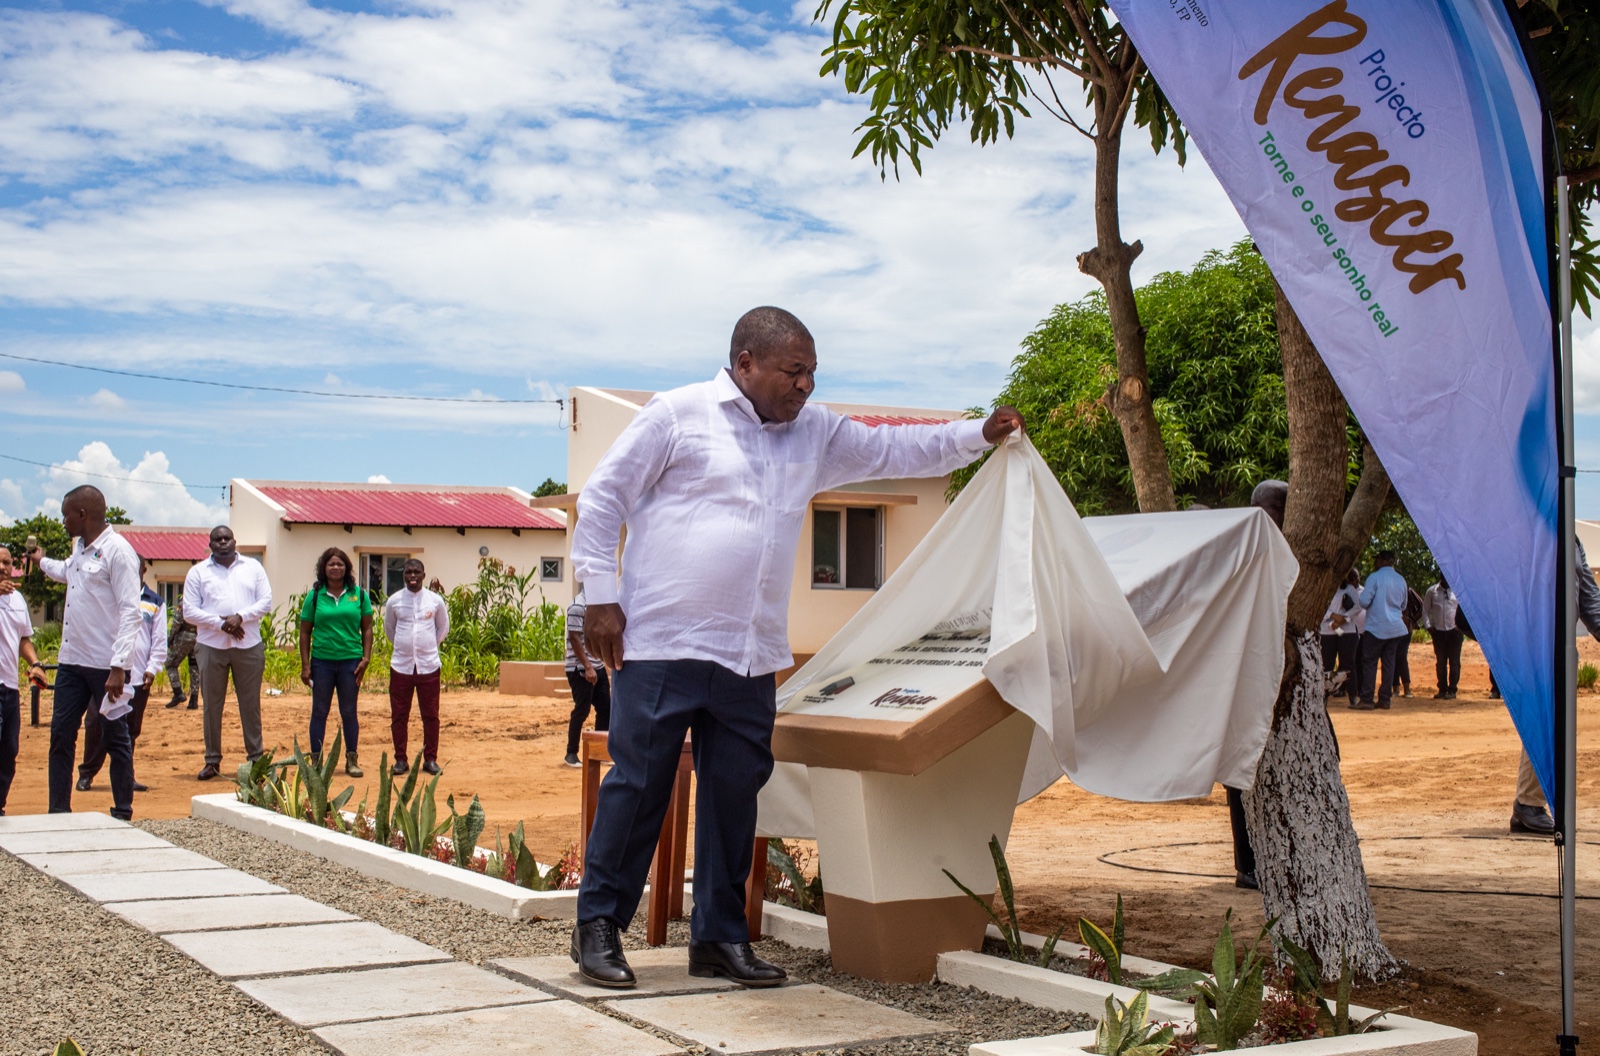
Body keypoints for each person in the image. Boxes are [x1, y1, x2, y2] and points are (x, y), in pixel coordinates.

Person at [569, 306, 1024, 989]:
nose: (806, 386)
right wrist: (599, 595)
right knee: (640, 787)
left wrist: (977, 436)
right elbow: (604, 499)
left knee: (734, 796)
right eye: (794, 370)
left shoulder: (815, 434)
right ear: (746, 363)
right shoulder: (677, 414)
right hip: (663, 644)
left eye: (812, 372)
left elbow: (895, 451)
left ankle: (719, 939)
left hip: (750, 655)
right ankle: (598, 929)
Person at [27, 485, 141, 818]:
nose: (62, 521)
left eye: (65, 515)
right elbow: (65, 571)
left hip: (106, 666)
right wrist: (40, 560)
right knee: (61, 736)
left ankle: (122, 811)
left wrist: (119, 666)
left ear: (82, 515)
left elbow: (131, 610)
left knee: (115, 737)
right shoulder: (79, 549)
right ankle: (58, 811)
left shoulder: (119, 552)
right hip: (71, 664)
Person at [184, 525, 272, 781]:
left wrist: (240, 617)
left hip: (248, 646)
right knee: (212, 706)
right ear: (210, 544)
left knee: (250, 705)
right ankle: (212, 761)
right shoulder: (197, 572)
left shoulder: (253, 568)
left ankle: (256, 760)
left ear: (235, 541)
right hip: (212, 646)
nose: (223, 542)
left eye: (227, 538)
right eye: (217, 539)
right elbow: (189, 611)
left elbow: (265, 601)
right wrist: (221, 623)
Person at [78, 561, 165, 793]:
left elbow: (158, 639)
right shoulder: (108, 596)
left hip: (137, 677)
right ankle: (86, 773)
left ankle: (126, 776)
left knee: (130, 729)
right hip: (104, 675)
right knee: (96, 723)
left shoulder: (155, 601)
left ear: (143, 569)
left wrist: (153, 667)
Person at [299, 547, 372, 777]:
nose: (336, 568)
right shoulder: (315, 595)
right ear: (324, 568)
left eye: (340, 564)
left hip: (351, 662)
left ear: (347, 568)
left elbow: (367, 628)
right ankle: (316, 762)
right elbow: (304, 632)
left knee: (349, 712)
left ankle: (351, 760)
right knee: (319, 711)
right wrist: (305, 665)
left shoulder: (358, 594)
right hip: (322, 663)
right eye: (331, 564)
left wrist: (366, 658)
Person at [384, 558, 448, 776]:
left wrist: (426, 647)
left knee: (431, 715)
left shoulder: (435, 601)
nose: (412, 576)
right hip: (401, 667)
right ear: (403, 575)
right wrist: (405, 649)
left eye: (416, 572)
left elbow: (442, 629)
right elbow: (390, 630)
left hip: (429, 667)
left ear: (423, 574)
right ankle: (400, 760)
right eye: (408, 572)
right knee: (399, 716)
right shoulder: (394, 601)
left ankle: (430, 759)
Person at [0, 546, 45, 815]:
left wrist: (36, 663)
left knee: (8, 752)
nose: (4, 567)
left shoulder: (17, 599)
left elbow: (23, 639)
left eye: (7, 562)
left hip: (9, 688)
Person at [1354, 550, 1409, 711]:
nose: (1374, 563)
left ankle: (1367, 699)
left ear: (1381, 560)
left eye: (1376, 559)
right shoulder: (1401, 580)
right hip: (1395, 629)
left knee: (1370, 663)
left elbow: (1364, 602)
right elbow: (1404, 605)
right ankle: (1385, 699)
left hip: (1376, 627)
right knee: (1389, 663)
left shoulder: (1374, 577)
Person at [563, 586, 611, 768]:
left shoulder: (595, 606)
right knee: (582, 710)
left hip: (596, 665)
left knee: (606, 708)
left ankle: (599, 751)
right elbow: (574, 638)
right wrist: (588, 667)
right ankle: (571, 753)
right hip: (580, 668)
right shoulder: (577, 607)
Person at [1320, 569, 1363, 705]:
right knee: (1327, 663)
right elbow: (1320, 607)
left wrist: (1344, 619)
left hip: (1345, 631)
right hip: (1328, 630)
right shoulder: (1324, 588)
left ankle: (1352, 696)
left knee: (1348, 663)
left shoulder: (1349, 589)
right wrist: (1333, 616)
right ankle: (1324, 696)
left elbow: (1357, 607)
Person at [1422, 574, 1462, 699]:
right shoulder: (1432, 591)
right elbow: (1425, 610)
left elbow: (1465, 610)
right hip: (1438, 632)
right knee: (1441, 662)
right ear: (1440, 577)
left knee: (1454, 662)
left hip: (1454, 632)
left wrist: (1461, 627)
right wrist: (1428, 626)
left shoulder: (1458, 591)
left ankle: (1452, 690)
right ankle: (1442, 689)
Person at [164, 595, 198, 709]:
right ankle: (194, 699)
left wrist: (170, 638)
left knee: (170, 664)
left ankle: (178, 692)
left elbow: (177, 622)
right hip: (198, 637)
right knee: (194, 667)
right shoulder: (201, 599)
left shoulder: (186, 600)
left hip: (184, 636)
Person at [1395, 584, 1424, 698]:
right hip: (1391, 628)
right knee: (1392, 656)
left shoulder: (1408, 591)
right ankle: (1395, 687)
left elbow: (1421, 607)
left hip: (1406, 629)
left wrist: (1411, 620)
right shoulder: (1388, 590)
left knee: (1401, 656)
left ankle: (1406, 687)